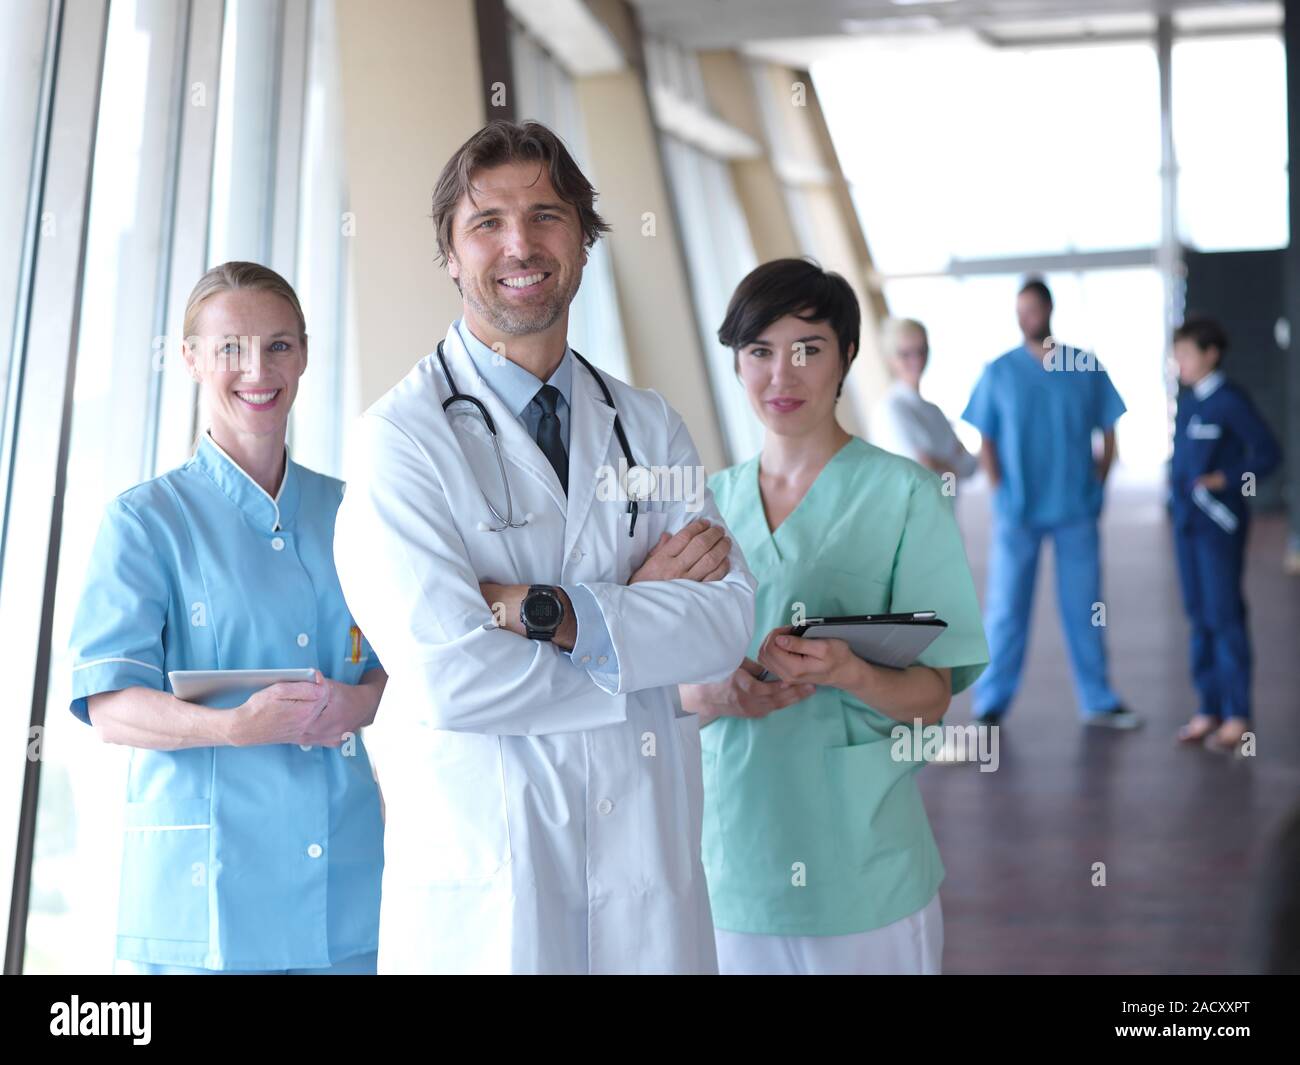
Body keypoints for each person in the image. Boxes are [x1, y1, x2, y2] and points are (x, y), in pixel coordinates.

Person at [333, 120, 756, 975]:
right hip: (491, 883)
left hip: (644, 870)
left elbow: (723, 625)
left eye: (548, 215)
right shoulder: (399, 441)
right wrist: (634, 639)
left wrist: (539, 611)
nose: (520, 243)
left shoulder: (647, 426)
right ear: (450, 255)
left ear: (585, 241)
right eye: (487, 222)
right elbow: (449, 674)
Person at [69, 262, 386, 974]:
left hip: (343, 894)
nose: (257, 369)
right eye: (230, 349)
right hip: (208, 901)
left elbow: (402, 661)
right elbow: (109, 704)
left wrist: (360, 701)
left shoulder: (352, 513)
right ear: (190, 359)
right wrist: (232, 728)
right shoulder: (146, 520)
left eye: (277, 345)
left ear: (303, 355)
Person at [679, 258, 988, 975]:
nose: (781, 375)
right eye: (759, 351)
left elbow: (933, 697)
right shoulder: (701, 508)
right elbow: (658, 693)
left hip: (863, 867)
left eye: (807, 349)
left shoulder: (905, 494)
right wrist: (714, 694)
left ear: (846, 357)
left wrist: (851, 670)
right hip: (732, 865)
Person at [961, 279, 1137, 728]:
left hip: (1075, 508)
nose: (1027, 317)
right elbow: (988, 440)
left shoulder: (1084, 366)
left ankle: (1098, 699)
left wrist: (1098, 484)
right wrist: (1000, 491)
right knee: (1005, 609)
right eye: (1020, 310)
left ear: (1049, 309)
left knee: (1086, 607)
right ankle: (991, 702)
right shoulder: (999, 371)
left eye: (1034, 308)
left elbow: (1109, 429)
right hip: (1018, 511)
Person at [1169, 315, 1280, 751]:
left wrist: (1228, 479)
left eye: (1186, 354)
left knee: (1225, 615)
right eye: (1176, 355)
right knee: (1198, 617)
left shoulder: (1230, 401)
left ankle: (1238, 714)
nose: (1179, 362)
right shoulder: (1189, 401)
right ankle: (1208, 709)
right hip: (1187, 526)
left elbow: (1269, 453)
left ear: (1210, 354)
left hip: (1218, 527)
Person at [870, 317, 977, 482]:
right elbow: (918, 471)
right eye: (905, 354)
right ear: (890, 358)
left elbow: (969, 468)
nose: (916, 359)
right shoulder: (889, 409)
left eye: (922, 350)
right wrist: (949, 464)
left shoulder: (933, 410)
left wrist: (939, 464)